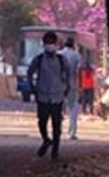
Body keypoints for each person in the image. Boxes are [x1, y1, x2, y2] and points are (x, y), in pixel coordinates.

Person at [27, 31, 70, 161]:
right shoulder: (38, 59)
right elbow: (30, 73)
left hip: (57, 97)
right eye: (48, 43)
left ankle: (55, 151)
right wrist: (33, 88)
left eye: (52, 42)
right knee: (42, 122)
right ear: (44, 44)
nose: (50, 45)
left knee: (57, 126)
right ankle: (46, 140)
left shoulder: (62, 60)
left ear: (56, 44)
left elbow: (68, 75)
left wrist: (67, 88)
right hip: (43, 96)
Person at [59, 37, 82, 140]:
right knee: (73, 109)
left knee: (58, 108)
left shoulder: (59, 54)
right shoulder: (77, 55)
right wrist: (80, 86)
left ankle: (57, 130)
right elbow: (79, 72)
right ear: (73, 44)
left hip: (59, 85)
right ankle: (72, 133)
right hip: (72, 84)